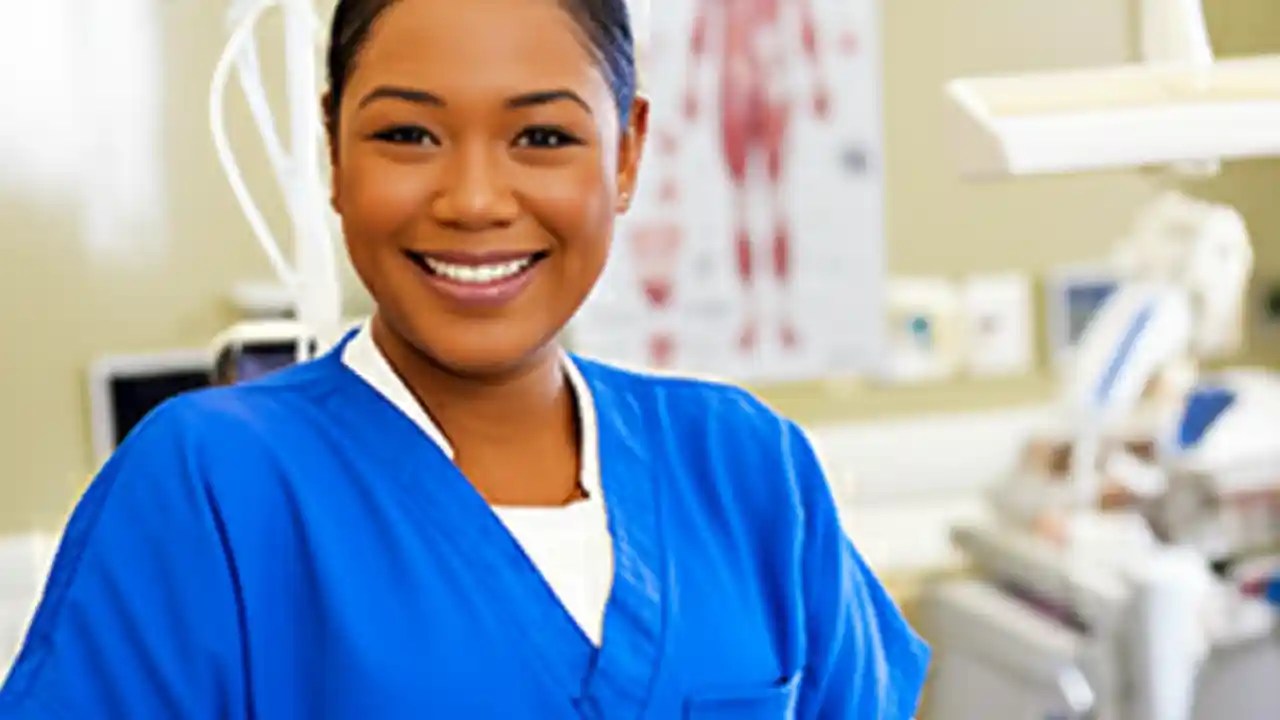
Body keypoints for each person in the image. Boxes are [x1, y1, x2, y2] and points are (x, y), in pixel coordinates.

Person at [0, 0, 928, 717]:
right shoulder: (210, 486)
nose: (475, 200)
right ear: (333, 153)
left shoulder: (747, 469)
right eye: (408, 135)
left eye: (543, 137)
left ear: (626, 154)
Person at [683, 0, 832, 353]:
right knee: (743, 207)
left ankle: (783, 312)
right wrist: (692, 86)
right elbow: (702, 26)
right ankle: (750, 314)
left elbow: (804, 20)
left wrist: (817, 80)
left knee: (775, 204)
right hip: (735, 90)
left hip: (771, 87)